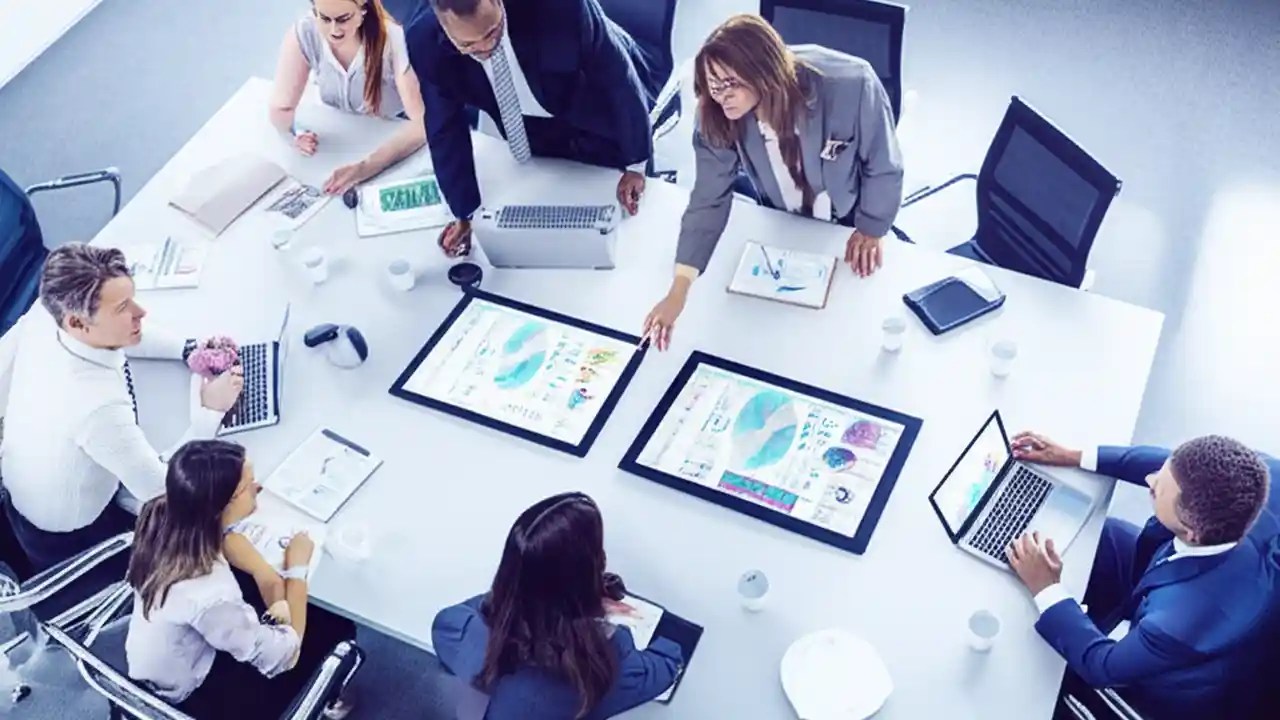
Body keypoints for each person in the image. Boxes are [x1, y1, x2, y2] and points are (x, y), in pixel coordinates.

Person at [642, 15, 903, 351]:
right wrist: (678, 291)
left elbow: (883, 164)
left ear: (763, 74)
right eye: (712, 84)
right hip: (783, 219)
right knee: (779, 336)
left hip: (847, 219)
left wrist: (873, 227)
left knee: (848, 328)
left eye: (730, 83)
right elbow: (708, 198)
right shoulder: (717, 110)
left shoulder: (852, 85)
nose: (722, 95)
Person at [0, 244, 243, 571]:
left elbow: (118, 334)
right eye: (123, 308)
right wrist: (209, 413)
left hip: (22, 493)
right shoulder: (93, 404)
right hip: (74, 540)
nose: (141, 313)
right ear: (79, 323)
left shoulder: (48, 311)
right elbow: (162, 490)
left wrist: (186, 349)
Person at [1005, 433, 1280, 719]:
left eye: (1156, 491)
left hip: (1178, 683)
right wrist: (1075, 455)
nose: (1150, 479)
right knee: (1107, 535)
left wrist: (1047, 588)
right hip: (1172, 573)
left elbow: (1103, 665)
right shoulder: (1259, 478)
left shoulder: (1181, 622)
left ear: (1191, 532)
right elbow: (1176, 469)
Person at [405, 0, 656, 257]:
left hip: (599, 114)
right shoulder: (424, 42)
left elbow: (618, 78)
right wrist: (464, 214)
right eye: (468, 45)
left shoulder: (562, 8)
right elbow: (445, 127)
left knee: (631, 238)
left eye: (492, 32)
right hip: (531, 129)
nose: (486, 48)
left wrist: (635, 164)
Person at [126, 440, 354, 719]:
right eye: (248, 486)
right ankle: (327, 704)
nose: (259, 488)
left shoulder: (159, 512)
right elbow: (285, 656)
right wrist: (296, 570)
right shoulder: (210, 595)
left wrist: (262, 571)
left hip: (165, 658)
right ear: (223, 505)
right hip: (192, 696)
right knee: (335, 626)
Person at [432, 492, 682, 719]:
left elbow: (476, 610)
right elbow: (668, 662)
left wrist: (518, 593)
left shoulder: (456, 629)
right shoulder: (607, 668)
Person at [269, 0, 427, 195]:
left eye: (344, 19)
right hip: (341, 135)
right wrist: (292, 134)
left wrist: (365, 168)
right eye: (324, 18)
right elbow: (280, 106)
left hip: (391, 136)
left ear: (362, 10)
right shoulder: (305, 32)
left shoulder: (393, 38)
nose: (334, 30)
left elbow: (422, 122)